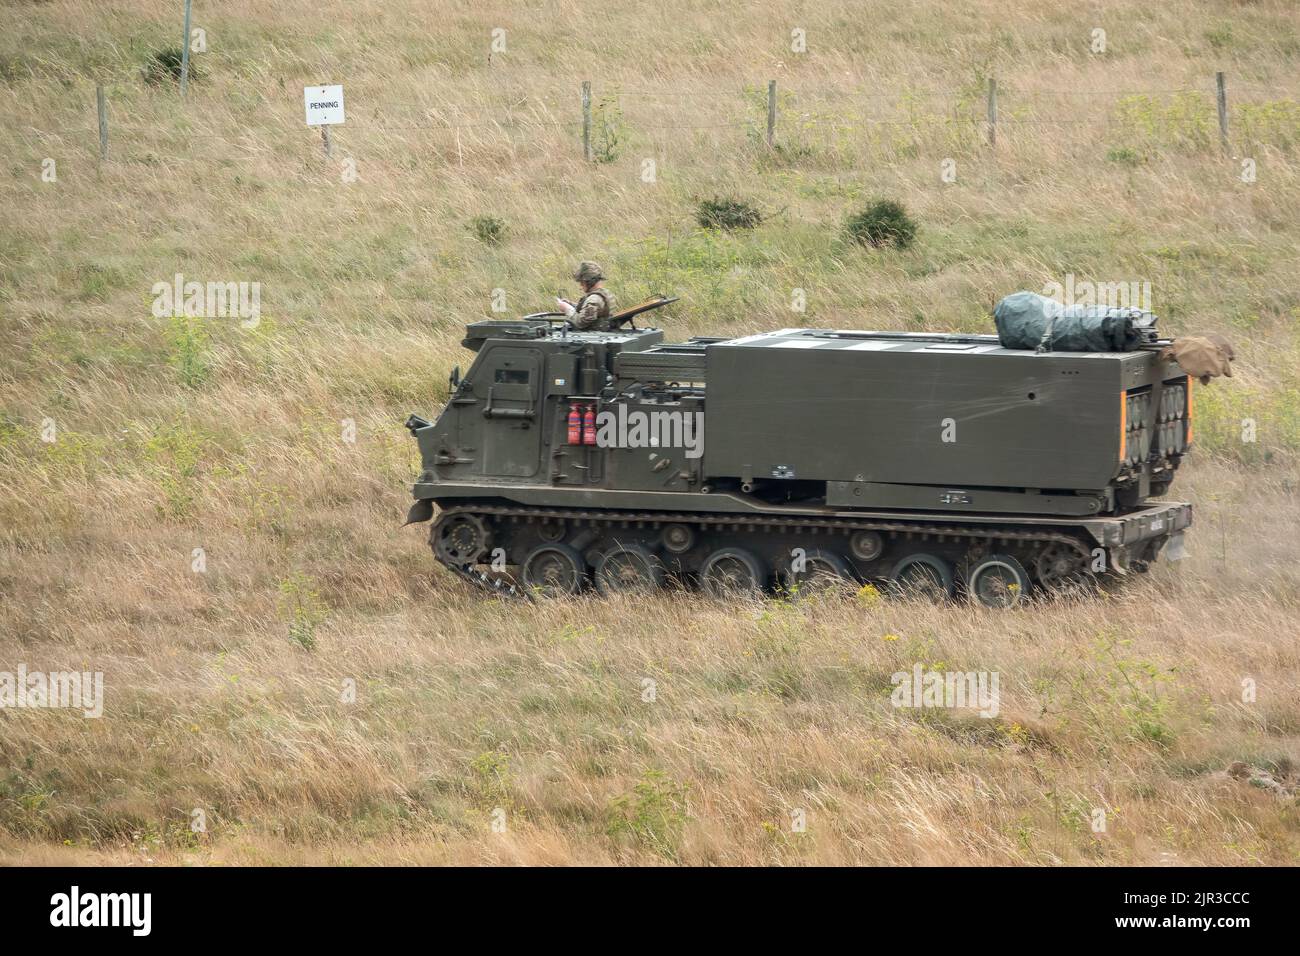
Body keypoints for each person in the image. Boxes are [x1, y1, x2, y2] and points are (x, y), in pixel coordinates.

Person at [558, 261, 616, 331]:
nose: (581, 285)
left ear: (589, 281)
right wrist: (571, 304)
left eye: (582, 282)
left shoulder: (594, 299)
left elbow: (580, 323)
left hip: (593, 335)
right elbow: (592, 311)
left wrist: (567, 309)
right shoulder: (606, 294)